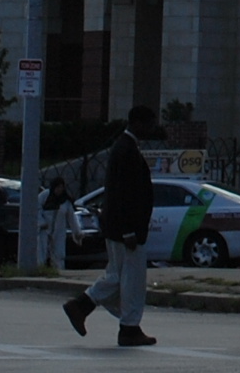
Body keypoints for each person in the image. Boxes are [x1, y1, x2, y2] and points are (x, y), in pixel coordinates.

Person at [64, 121, 159, 347]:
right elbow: (123, 193)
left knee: (117, 276)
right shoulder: (126, 151)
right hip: (127, 230)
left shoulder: (122, 148)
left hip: (118, 227)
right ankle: (129, 328)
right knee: (132, 280)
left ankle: (82, 306)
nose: (150, 130)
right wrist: (129, 229)